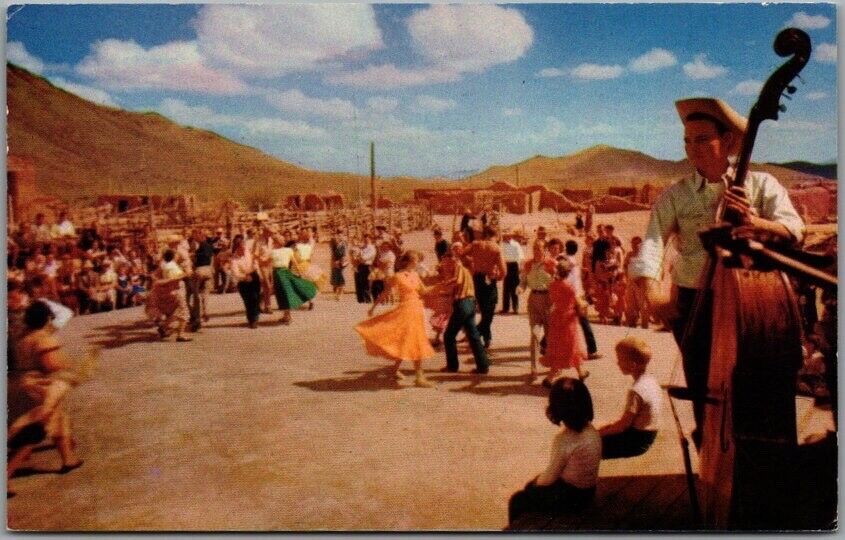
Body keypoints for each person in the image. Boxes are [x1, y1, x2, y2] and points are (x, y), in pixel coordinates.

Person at [628, 97, 805, 443]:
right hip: (695, 300)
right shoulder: (675, 196)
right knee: (703, 387)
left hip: (749, 301)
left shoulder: (761, 185)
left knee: (756, 387)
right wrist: (650, 291)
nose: (691, 149)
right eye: (686, 141)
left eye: (701, 139)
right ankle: (711, 459)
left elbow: (794, 229)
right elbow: (651, 243)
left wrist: (753, 221)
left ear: (727, 142)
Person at [8, 302, 98, 486]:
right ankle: (6, 475)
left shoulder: (22, 337)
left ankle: (68, 459)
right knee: (35, 432)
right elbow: (52, 365)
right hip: (39, 386)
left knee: (59, 420)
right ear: (47, 318)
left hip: (25, 383)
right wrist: (75, 367)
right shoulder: (43, 339)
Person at [508, 378, 601, 525]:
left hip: (571, 496)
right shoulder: (592, 430)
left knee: (518, 500)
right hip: (588, 492)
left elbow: (550, 477)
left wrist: (534, 484)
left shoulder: (564, 440)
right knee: (533, 490)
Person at [355, 251, 435, 388]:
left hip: (416, 310)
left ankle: (395, 370)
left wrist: (442, 286)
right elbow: (385, 293)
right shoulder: (397, 276)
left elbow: (424, 291)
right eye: (416, 260)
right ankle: (419, 377)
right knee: (414, 340)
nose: (417, 262)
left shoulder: (416, 275)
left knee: (407, 339)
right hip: (405, 311)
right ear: (408, 262)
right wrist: (373, 308)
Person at [598, 336, 661, 458]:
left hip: (636, 441)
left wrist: (599, 433)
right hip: (649, 435)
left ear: (632, 365)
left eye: (620, 360)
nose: (617, 363)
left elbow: (623, 426)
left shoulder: (636, 391)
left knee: (588, 446)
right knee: (604, 429)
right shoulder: (651, 381)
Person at [439, 252, 491, 375]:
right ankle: (483, 366)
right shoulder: (463, 269)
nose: (446, 265)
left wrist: (443, 284)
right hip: (469, 303)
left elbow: (457, 281)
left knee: (449, 335)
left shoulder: (458, 267)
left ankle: (452, 366)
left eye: (447, 262)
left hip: (463, 304)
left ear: (453, 259)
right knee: (473, 336)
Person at [540, 259, 589, 386]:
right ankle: (549, 378)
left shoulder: (552, 285)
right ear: (568, 273)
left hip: (556, 316)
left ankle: (581, 373)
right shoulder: (570, 287)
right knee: (571, 345)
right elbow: (579, 303)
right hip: (568, 318)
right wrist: (586, 302)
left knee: (558, 346)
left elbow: (553, 300)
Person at [464, 226, 506, 349]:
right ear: (496, 235)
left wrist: (472, 262)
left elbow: (461, 254)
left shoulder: (476, 244)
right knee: (489, 312)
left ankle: (487, 339)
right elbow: (504, 272)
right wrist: (496, 277)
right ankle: (475, 335)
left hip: (477, 278)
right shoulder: (496, 248)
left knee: (484, 311)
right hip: (488, 278)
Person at [563, 240, 600, 360]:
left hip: (571, 296)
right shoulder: (571, 262)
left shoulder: (566, 260)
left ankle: (544, 344)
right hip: (576, 296)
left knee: (564, 321)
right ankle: (592, 350)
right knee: (584, 322)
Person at [270, 231, 317, 325]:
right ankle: (286, 315)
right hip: (286, 272)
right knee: (287, 293)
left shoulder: (273, 252)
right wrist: (299, 273)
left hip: (278, 274)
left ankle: (288, 316)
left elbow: (269, 264)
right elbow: (295, 262)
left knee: (282, 294)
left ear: (275, 243)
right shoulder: (288, 250)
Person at [230, 235, 262, 329]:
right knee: (248, 301)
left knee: (256, 298)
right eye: (241, 247)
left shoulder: (249, 252)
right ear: (237, 248)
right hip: (243, 281)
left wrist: (258, 272)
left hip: (253, 275)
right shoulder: (234, 259)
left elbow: (255, 262)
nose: (243, 249)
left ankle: (255, 317)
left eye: (244, 246)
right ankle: (252, 320)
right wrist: (244, 277)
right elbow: (235, 272)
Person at [500, 229, 524, 315]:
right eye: (505, 235)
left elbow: (521, 257)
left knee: (515, 287)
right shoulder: (502, 245)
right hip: (506, 265)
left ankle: (515, 307)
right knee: (506, 288)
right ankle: (505, 308)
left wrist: (520, 267)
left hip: (514, 266)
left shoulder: (516, 244)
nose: (507, 236)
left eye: (508, 235)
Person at [329, 229, 348, 301]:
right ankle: (337, 293)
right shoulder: (334, 243)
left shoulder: (344, 244)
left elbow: (345, 255)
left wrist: (339, 262)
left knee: (342, 277)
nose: (339, 236)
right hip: (335, 262)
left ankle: (340, 294)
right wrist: (333, 262)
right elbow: (333, 254)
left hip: (342, 262)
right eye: (338, 234)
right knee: (336, 277)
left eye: (341, 234)